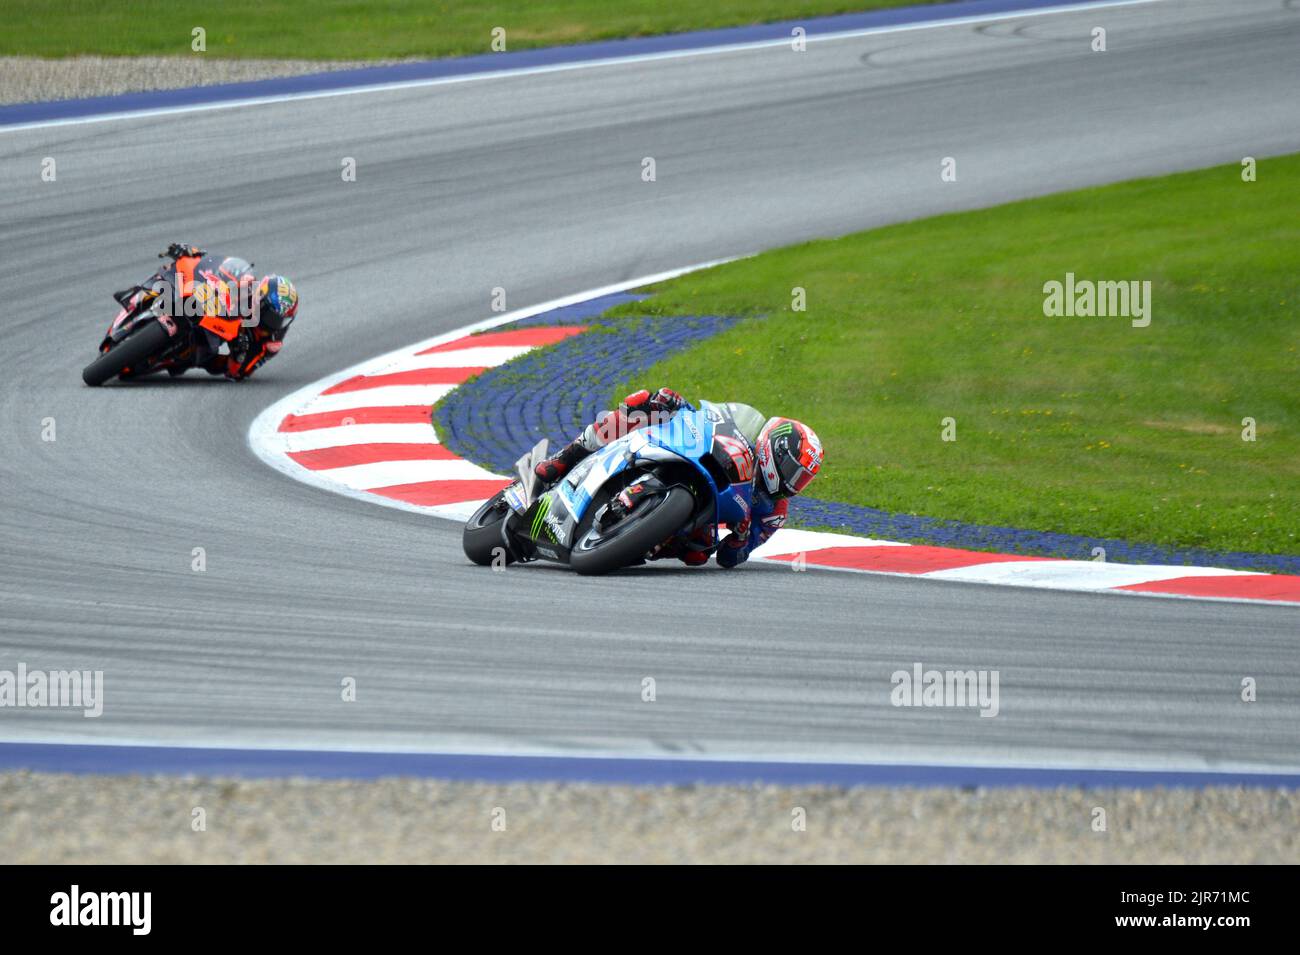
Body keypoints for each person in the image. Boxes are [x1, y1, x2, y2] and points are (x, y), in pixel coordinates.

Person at [534, 387, 824, 567]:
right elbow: (713, 418)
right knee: (647, 400)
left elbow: (730, 558)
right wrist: (675, 404)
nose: (793, 483)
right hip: (691, 453)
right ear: (776, 451)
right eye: (794, 473)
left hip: (700, 516)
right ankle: (566, 457)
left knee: (696, 557)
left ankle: (636, 541)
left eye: (803, 479)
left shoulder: (774, 512)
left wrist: (741, 536)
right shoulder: (748, 436)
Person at [122, 243, 298, 380]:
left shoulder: (271, 343)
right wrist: (193, 253)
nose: (269, 322)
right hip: (210, 306)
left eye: (277, 320)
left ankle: (165, 358)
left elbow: (239, 373)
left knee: (209, 359)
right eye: (268, 313)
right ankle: (136, 303)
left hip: (215, 345)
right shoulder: (246, 280)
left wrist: (239, 353)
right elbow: (218, 266)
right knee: (169, 279)